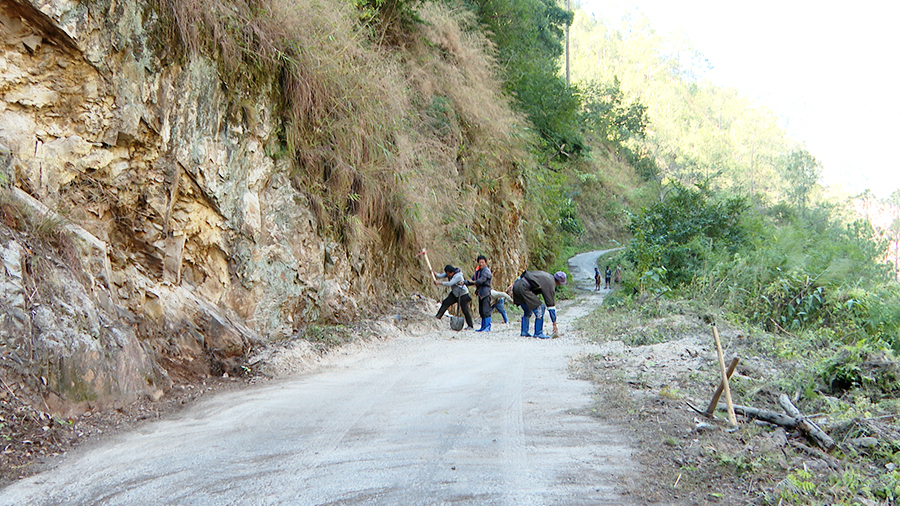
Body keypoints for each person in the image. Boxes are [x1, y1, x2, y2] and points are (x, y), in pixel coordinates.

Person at [511, 270, 567, 339]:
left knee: (527, 310)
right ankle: (538, 332)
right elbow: (550, 305)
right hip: (524, 288)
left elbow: (525, 273)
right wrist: (554, 322)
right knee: (540, 307)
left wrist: (514, 284)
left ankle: (524, 331)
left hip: (517, 286)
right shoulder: (550, 283)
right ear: (558, 282)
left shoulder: (545, 275)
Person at [434, 264, 474, 330]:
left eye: (448, 274)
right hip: (455, 293)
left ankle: (470, 325)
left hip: (462, 294)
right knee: (446, 302)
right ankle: (438, 317)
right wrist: (435, 274)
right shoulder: (449, 273)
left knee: (465, 310)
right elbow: (441, 275)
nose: (447, 275)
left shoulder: (458, 276)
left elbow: (450, 283)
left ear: (452, 272)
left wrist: (439, 283)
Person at [467, 255, 493, 332]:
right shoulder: (478, 271)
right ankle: (483, 327)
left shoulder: (486, 271)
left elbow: (481, 280)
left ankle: (487, 327)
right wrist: (465, 283)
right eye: (479, 262)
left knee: (486, 310)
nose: (481, 264)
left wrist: (473, 282)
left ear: (485, 263)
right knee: (481, 310)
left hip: (486, 292)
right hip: (480, 293)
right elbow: (472, 280)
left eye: (482, 262)